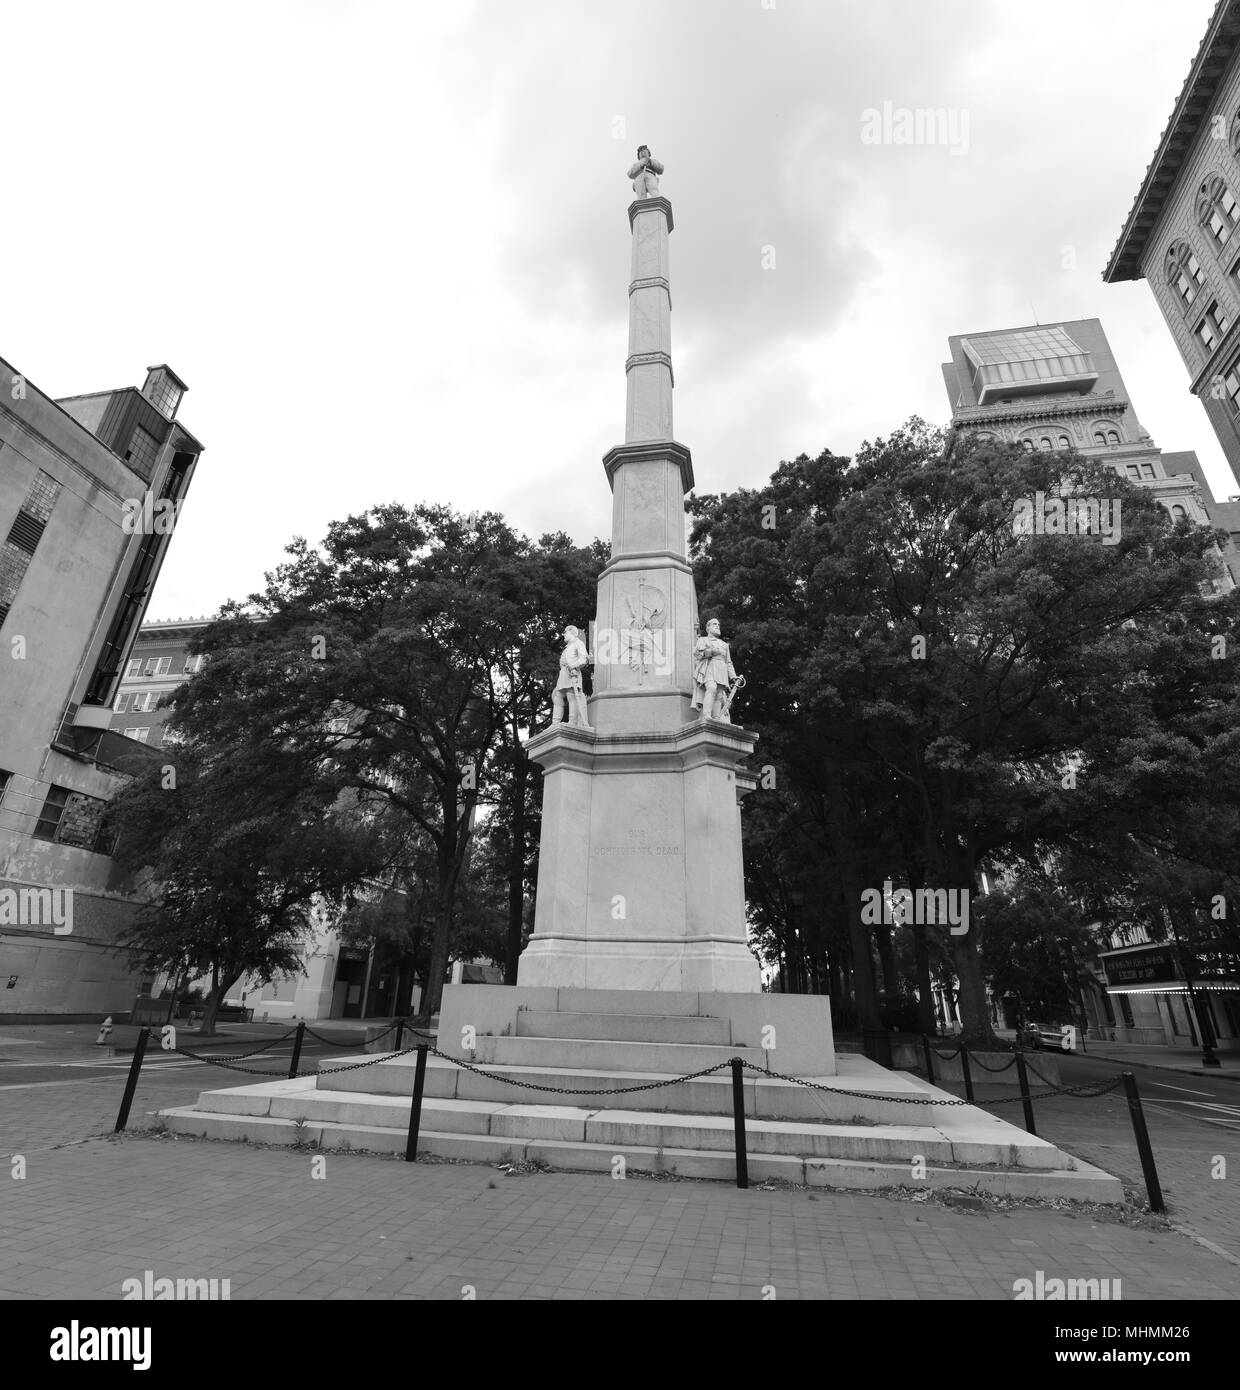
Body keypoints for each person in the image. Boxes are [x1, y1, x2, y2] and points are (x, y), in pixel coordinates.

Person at [691, 617, 738, 722]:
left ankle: (716, 717)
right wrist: (711, 651)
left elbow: (728, 662)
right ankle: (706, 715)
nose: (717, 626)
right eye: (714, 624)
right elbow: (697, 654)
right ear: (708, 628)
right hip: (709, 667)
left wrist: (733, 676)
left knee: (720, 694)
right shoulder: (702, 640)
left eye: (718, 624)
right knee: (711, 688)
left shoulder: (724, 645)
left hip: (722, 669)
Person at [552, 625, 592, 729]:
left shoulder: (578, 643)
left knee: (571, 695)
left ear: (572, 633)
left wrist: (574, 666)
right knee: (558, 696)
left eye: (566, 632)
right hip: (564, 673)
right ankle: (555, 723)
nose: (564, 634)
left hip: (573, 672)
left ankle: (572, 722)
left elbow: (584, 659)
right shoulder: (567, 647)